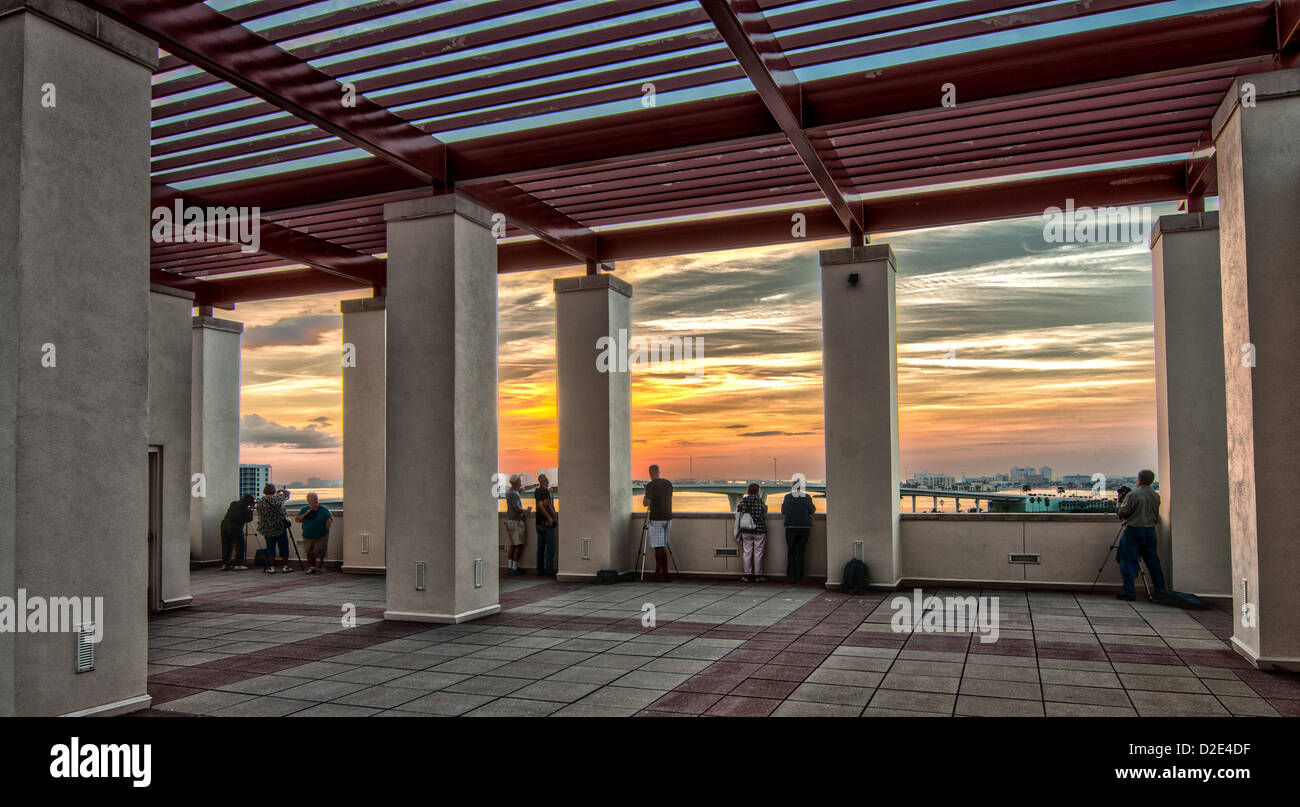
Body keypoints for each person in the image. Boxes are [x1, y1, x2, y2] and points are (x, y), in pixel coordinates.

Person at [1115, 469, 1166, 601]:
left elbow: (1122, 513)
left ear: (1139, 479)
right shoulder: (1155, 496)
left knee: (1127, 561)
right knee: (1153, 563)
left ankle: (1129, 592)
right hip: (1150, 531)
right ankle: (1161, 592)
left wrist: (1120, 500)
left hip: (1134, 531)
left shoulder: (1133, 495)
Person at [642, 465, 673, 581]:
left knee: (658, 547)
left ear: (650, 473)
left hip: (656, 519)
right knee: (663, 545)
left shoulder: (650, 485)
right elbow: (668, 498)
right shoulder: (668, 483)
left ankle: (659, 572)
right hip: (667, 518)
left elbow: (646, 503)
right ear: (659, 471)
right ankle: (665, 572)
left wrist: (646, 499)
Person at [255, 483, 293, 574]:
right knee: (283, 546)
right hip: (279, 527)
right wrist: (281, 491)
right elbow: (288, 494)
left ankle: (272, 567)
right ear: (274, 491)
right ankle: (285, 566)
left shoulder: (261, 501)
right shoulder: (277, 499)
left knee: (270, 548)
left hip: (267, 528)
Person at [781, 485, 816, 583]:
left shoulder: (787, 497)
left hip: (790, 526)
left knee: (791, 551)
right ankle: (799, 576)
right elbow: (812, 510)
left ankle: (791, 575)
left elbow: (783, 511)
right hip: (804, 526)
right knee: (801, 552)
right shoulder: (807, 497)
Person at [734, 483, 768, 583]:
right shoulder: (759, 500)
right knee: (758, 553)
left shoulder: (744, 500)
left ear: (748, 490)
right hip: (759, 529)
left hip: (746, 529)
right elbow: (765, 510)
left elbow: (738, 509)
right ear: (757, 491)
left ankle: (747, 575)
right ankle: (758, 575)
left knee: (747, 552)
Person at [294, 492, 333, 575]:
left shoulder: (323, 509)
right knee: (309, 552)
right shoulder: (304, 509)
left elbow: (329, 518)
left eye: (316, 499)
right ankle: (312, 567)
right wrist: (306, 514)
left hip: (321, 536)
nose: (315, 501)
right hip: (308, 535)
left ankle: (320, 566)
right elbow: (297, 519)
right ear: (308, 500)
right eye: (312, 499)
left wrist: (328, 523)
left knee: (319, 551)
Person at [220, 494, 255, 571]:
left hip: (225, 525)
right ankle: (239, 564)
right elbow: (249, 519)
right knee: (240, 546)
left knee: (226, 546)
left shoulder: (234, 503)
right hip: (236, 528)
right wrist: (251, 509)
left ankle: (225, 564)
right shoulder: (245, 509)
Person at [504, 475, 529, 575]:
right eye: (519, 481)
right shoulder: (514, 494)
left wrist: (535, 485)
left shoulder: (509, 492)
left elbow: (523, 488)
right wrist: (526, 511)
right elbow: (516, 509)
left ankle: (510, 566)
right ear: (515, 483)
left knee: (513, 544)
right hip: (515, 521)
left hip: (509, 520)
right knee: (519, 545)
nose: (520, 482)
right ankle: (514, 568)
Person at [534, 473, 558, 577]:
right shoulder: (544, 491)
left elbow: (542, 504)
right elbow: (542, 506)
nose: (548, 480)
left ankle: (540, 569)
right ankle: (549, 569)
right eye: (547, 479)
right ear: (544, 481)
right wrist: (550, 517)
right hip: (546, 524)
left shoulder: (537, 491)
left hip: (538, 523)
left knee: (540, 548)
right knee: (550, 547)